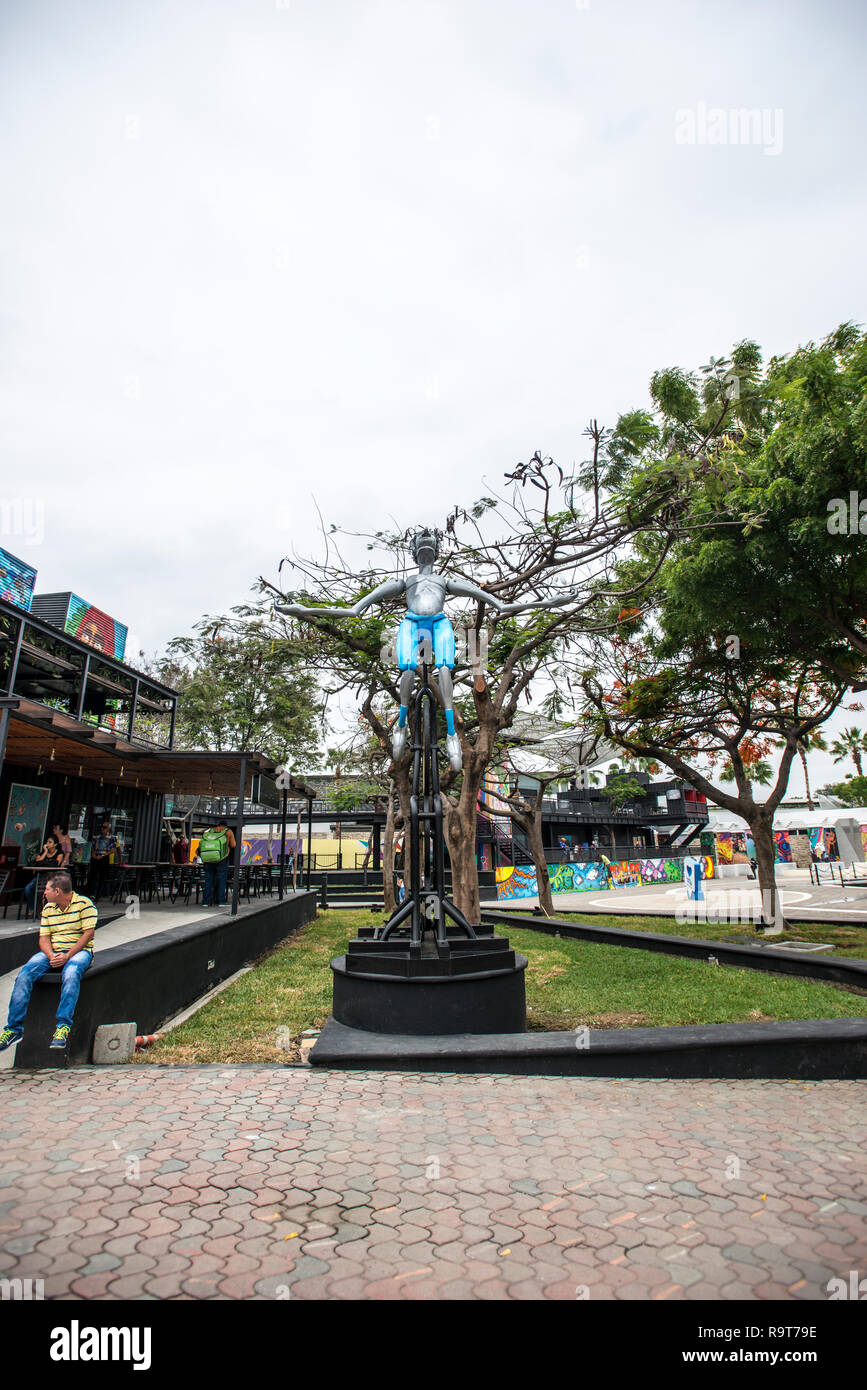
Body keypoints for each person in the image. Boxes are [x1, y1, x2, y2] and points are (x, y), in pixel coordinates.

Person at [0, 872, 96, 1052]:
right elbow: (43, 939)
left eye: (47, 889)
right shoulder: (48, 909)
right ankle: (14, 1028)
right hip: (52, 952)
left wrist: (68, 956)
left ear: (58, 891)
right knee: (25, 974)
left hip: (79, 952)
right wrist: (52, 955)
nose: (44, 893)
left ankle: (63, 1026)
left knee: (71, 973)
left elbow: (88, 934)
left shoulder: (85, 905)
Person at [23, 834, 65, 915]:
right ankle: (32, 907)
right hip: (40, 876)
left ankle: (47, 909)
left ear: (55, 844)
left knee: (48, 891)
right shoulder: (43, 852)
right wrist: (45, 852)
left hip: (52, 877)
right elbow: (38, 861)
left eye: (50, 842)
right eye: (47, 842)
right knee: (27, 888)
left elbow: (56, 863)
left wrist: (44, 863)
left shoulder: (59, 852)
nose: (47, 844)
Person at [200, 819, 235, 907]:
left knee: (208, 880)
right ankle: (221, 901)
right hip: (222, 859)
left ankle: (206, 901)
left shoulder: (210, 831)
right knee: (221, 880)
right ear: (226, 826)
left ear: (218, 825)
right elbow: (233, 845)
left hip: (208, 859)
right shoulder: (228, 831)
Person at [89, 820, 119, 901]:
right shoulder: (96, 837)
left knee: (102, 876)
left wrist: (103, 855)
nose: (102, 829)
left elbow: (114, 849)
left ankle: (98, 894)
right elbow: (93, 847)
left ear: (108, 829)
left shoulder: (111, 838)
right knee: (94, 876)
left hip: (104, 858)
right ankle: (92, 893)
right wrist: (94, 855)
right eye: (101, 827)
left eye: (105, 827)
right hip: (96, 858)